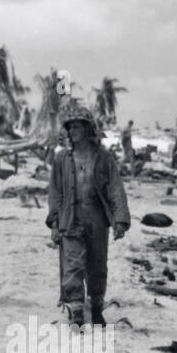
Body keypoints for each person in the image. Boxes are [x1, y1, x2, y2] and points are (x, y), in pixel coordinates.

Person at [46, 103, 131, 329]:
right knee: (72, 265)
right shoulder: (62, 159)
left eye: (76, 127)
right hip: (70, 218)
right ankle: (75, 310)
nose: (71, 131)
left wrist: (120, 219)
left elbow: (115, 188)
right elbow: (55, 192)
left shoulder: (103, 158)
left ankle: (95, 307)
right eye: (69, 127)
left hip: (96, 219)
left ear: (87, 129)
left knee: (97, 266)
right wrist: (54, 222)